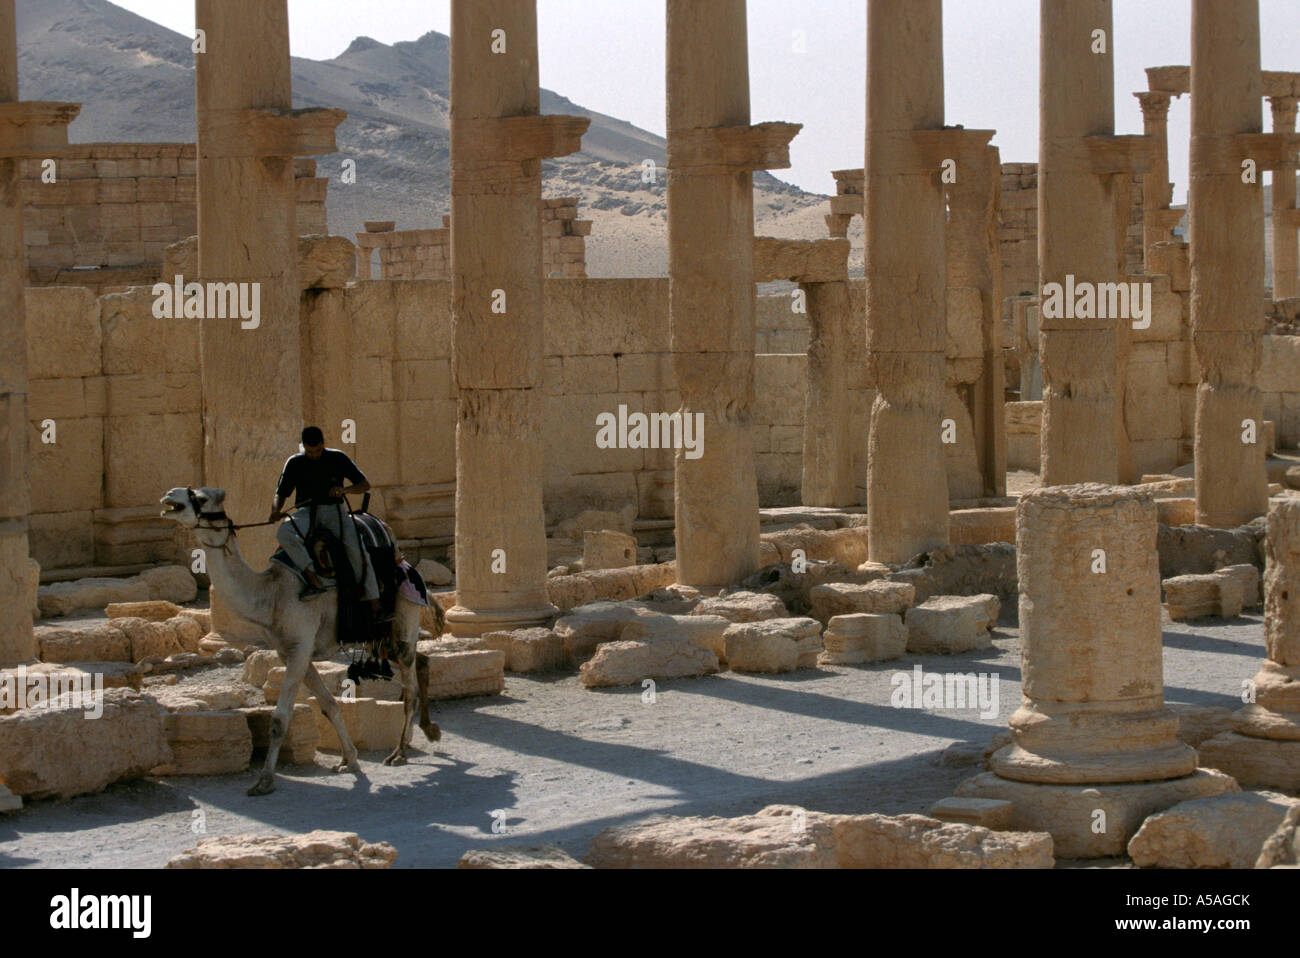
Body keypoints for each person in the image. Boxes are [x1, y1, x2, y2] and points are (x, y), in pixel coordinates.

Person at [269, 426, 379, 604]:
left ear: (323, 444)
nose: (314, 455)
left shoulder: (338, 457)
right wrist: (275, 510)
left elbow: (364, 485)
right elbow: (281, 493)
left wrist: (344, 490)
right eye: (310, 451)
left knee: (356, 548)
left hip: (333, 511)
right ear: (304, 446)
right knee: (284, 533)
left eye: (318, 450)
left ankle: (371, 598)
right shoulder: (294, 462)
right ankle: (312, 577)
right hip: (305, 513)